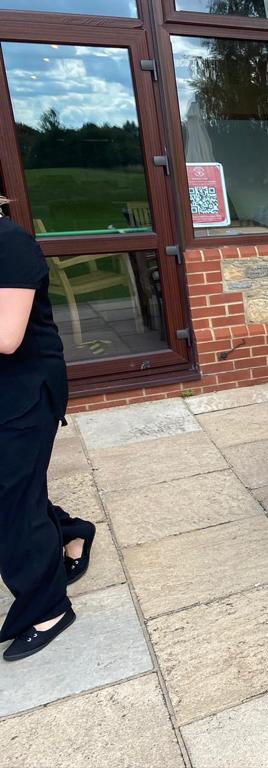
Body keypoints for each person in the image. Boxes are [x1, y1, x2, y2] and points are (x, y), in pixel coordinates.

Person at [0, 196, 94, 662]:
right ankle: (73, 530)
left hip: (24, 394)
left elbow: (7, 336)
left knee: (11, 504)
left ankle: (48, 609)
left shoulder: (11, 245)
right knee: (16, 494)